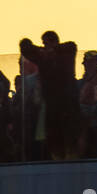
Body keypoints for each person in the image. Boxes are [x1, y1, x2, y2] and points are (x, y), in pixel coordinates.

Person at [19, 31, 78, 160]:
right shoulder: (44, 57)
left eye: (46, 43)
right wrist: (43, 50)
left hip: (66, 103)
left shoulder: (65, 54)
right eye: (44, 44)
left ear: (54, 42)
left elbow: (72, 45)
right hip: (52, 104)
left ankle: (69, 158)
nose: (45, 46)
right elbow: (25, 48)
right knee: (54, 137)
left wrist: (50, 50)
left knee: (67, 135)